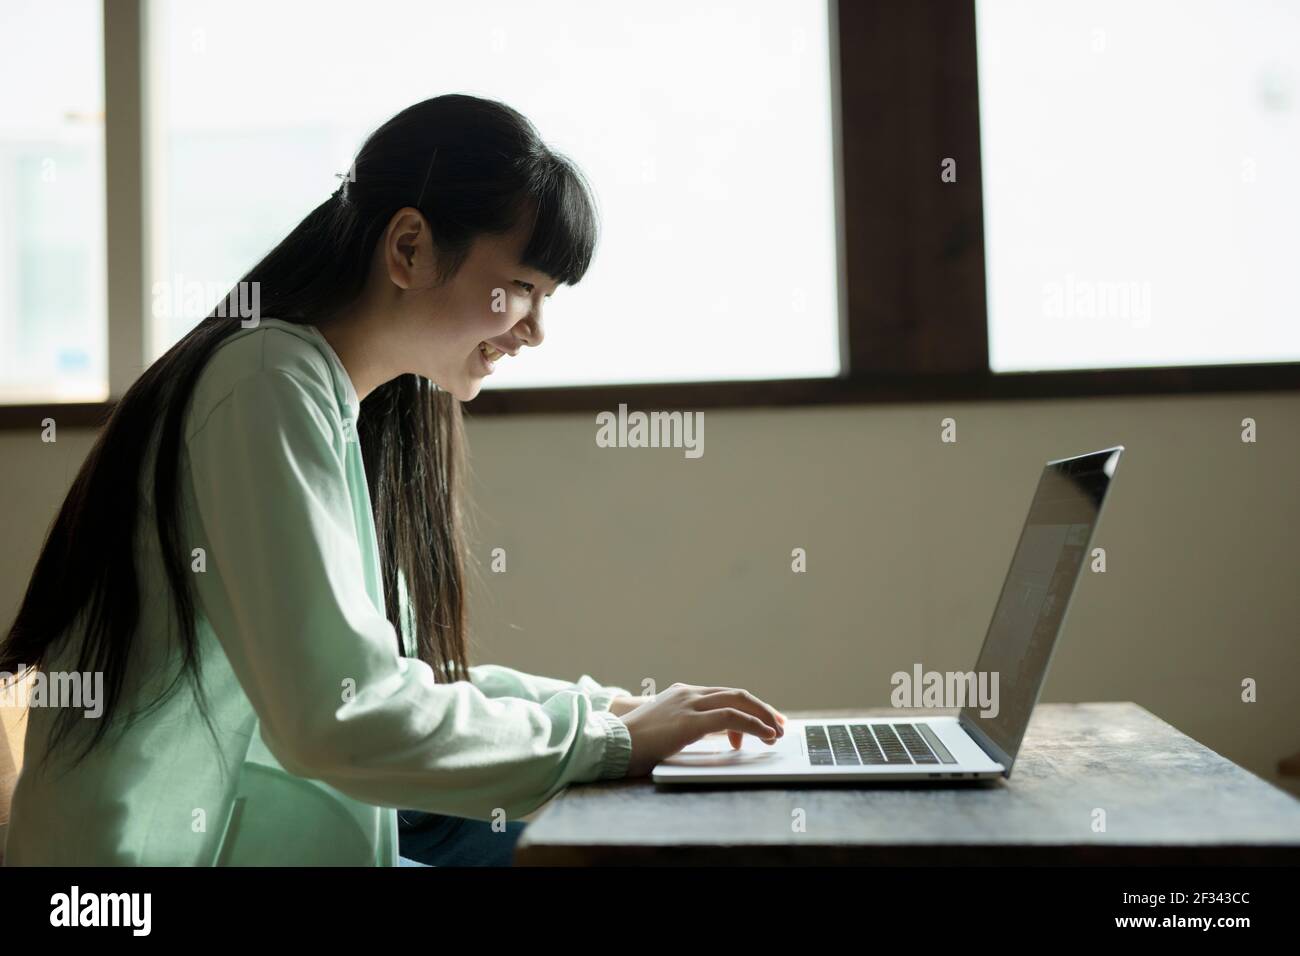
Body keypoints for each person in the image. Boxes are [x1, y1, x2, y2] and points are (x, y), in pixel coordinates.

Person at [0, 94, 784, 867]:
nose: (536, 330)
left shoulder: (332, 396)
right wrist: (610, 741)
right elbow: (343, 716)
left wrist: (605, 712)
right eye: (523, 287)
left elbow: (400, 681)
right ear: (409, 247)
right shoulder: (264, 379)